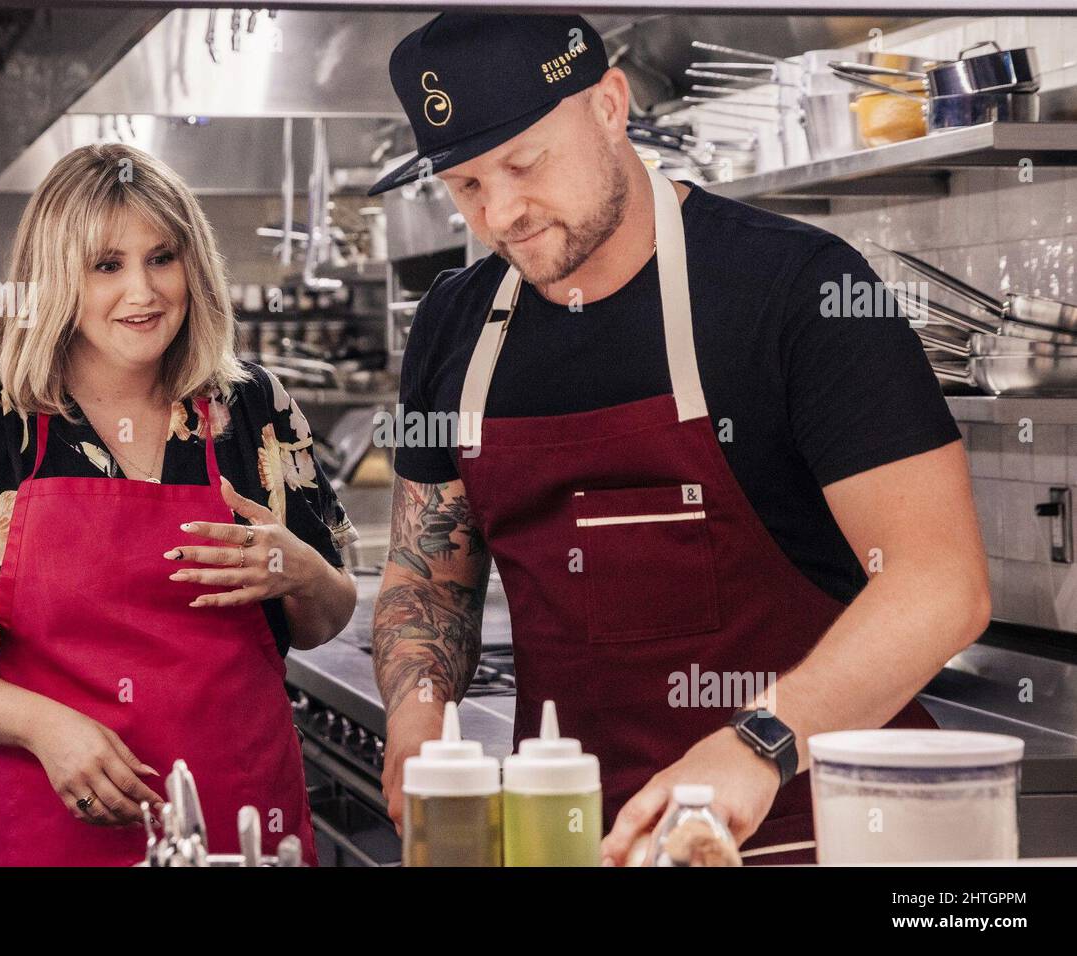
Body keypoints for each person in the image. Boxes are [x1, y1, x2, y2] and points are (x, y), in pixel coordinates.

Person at [368, 14, 989, 865]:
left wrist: (758, 743)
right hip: (576, 835)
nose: (500, 212)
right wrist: (417, 719)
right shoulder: (455, 324)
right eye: (465, 185)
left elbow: (939, 585)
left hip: (806, 832)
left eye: (523, 163)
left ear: (609, 106)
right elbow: (426, 580)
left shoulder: (801, 286)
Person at [0, 143, 358, 866]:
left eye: (162, 257)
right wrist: (43, 727)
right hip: (44, 828)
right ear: (57, 278)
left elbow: (325, 618)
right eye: (106, 266)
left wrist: (303, 572)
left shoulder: (254, 409)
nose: (143, 292)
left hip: (238, 823)